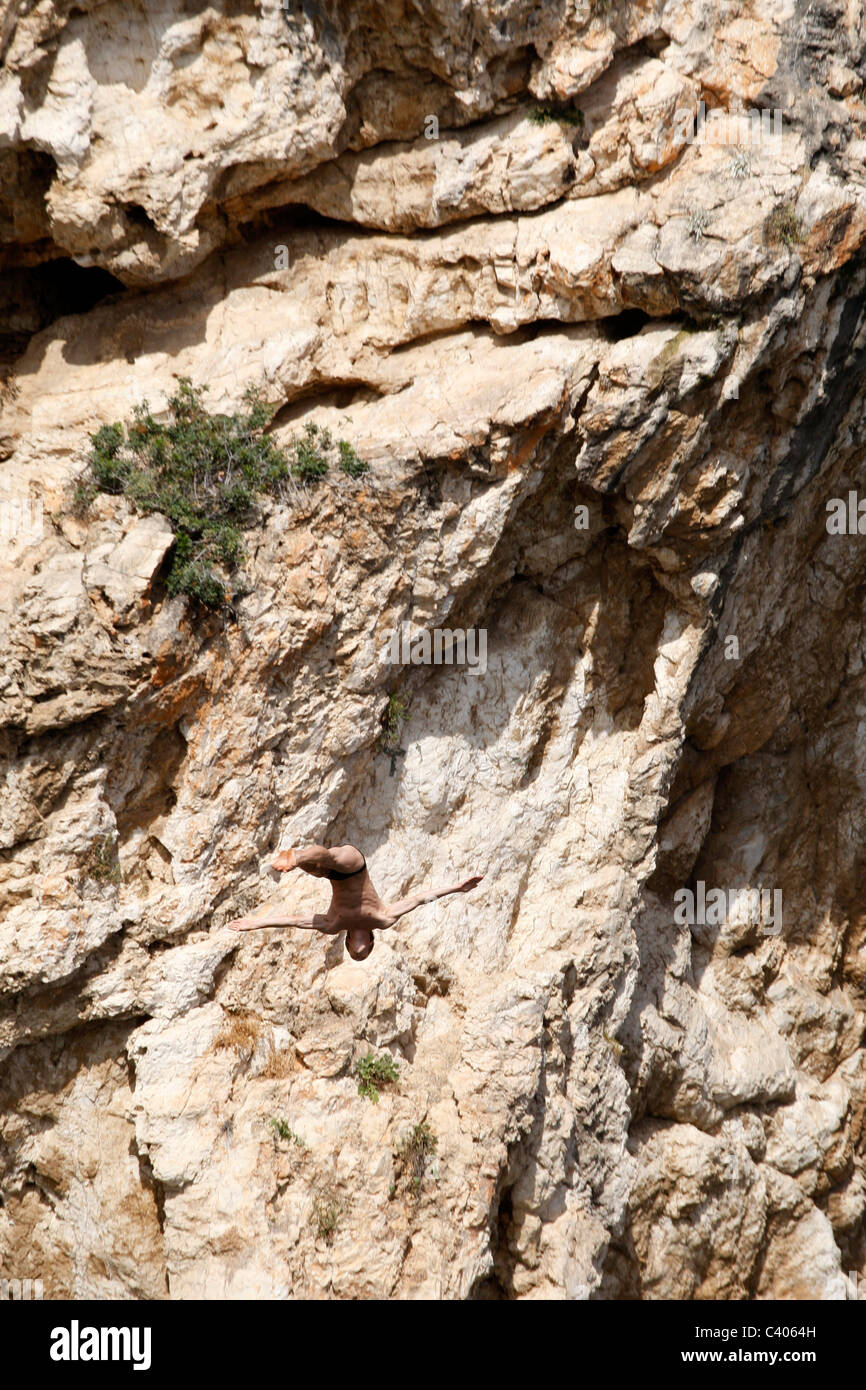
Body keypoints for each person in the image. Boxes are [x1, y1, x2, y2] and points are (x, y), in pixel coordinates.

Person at [226, 844, 483, 960]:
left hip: (333, 878)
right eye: (365, 952)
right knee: (330, 857)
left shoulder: (333, 925)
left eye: (354, 953)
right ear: (371, 940)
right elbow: (419, 899)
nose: (359, 952)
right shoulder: (383, 919)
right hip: (355, 866)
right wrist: (457, 888)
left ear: (348, 941)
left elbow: (292, 921)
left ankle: (299, 858)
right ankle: (298, 854)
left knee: (319, 868)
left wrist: (255, 924)